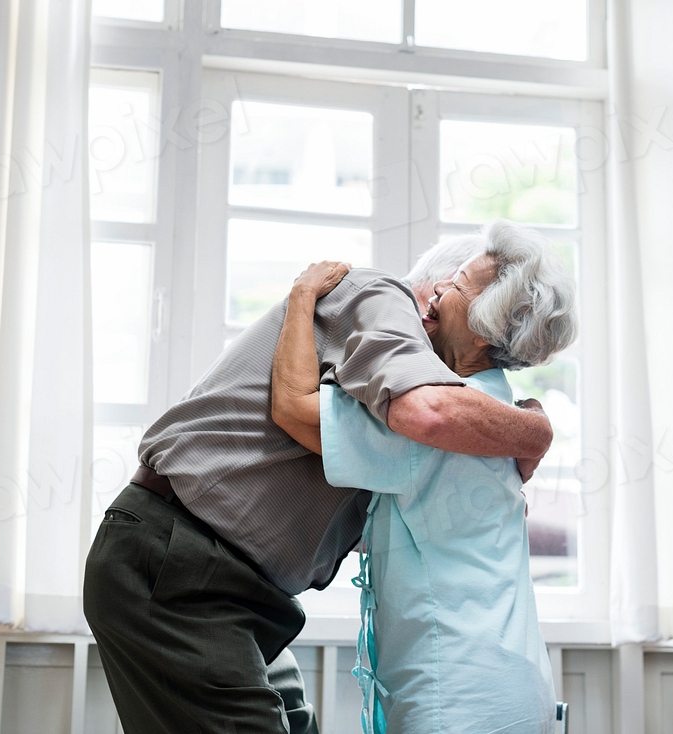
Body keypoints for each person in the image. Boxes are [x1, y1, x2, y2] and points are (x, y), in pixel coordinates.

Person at [82, 225, 556, 734]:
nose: (438, 297)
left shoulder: (449, 411)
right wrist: (534, 431)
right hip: (184, 558)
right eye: (447, 284)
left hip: (236, 582)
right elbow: (408, 412)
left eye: (456, 288)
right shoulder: (383, 297)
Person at [271, 219, 578, 734]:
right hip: (492, 685)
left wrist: (302, 298)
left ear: (485, 321)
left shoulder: (442, 423)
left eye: (455, 284)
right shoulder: (495, 410)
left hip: (464, 696)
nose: (434, 290)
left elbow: (291, 408)